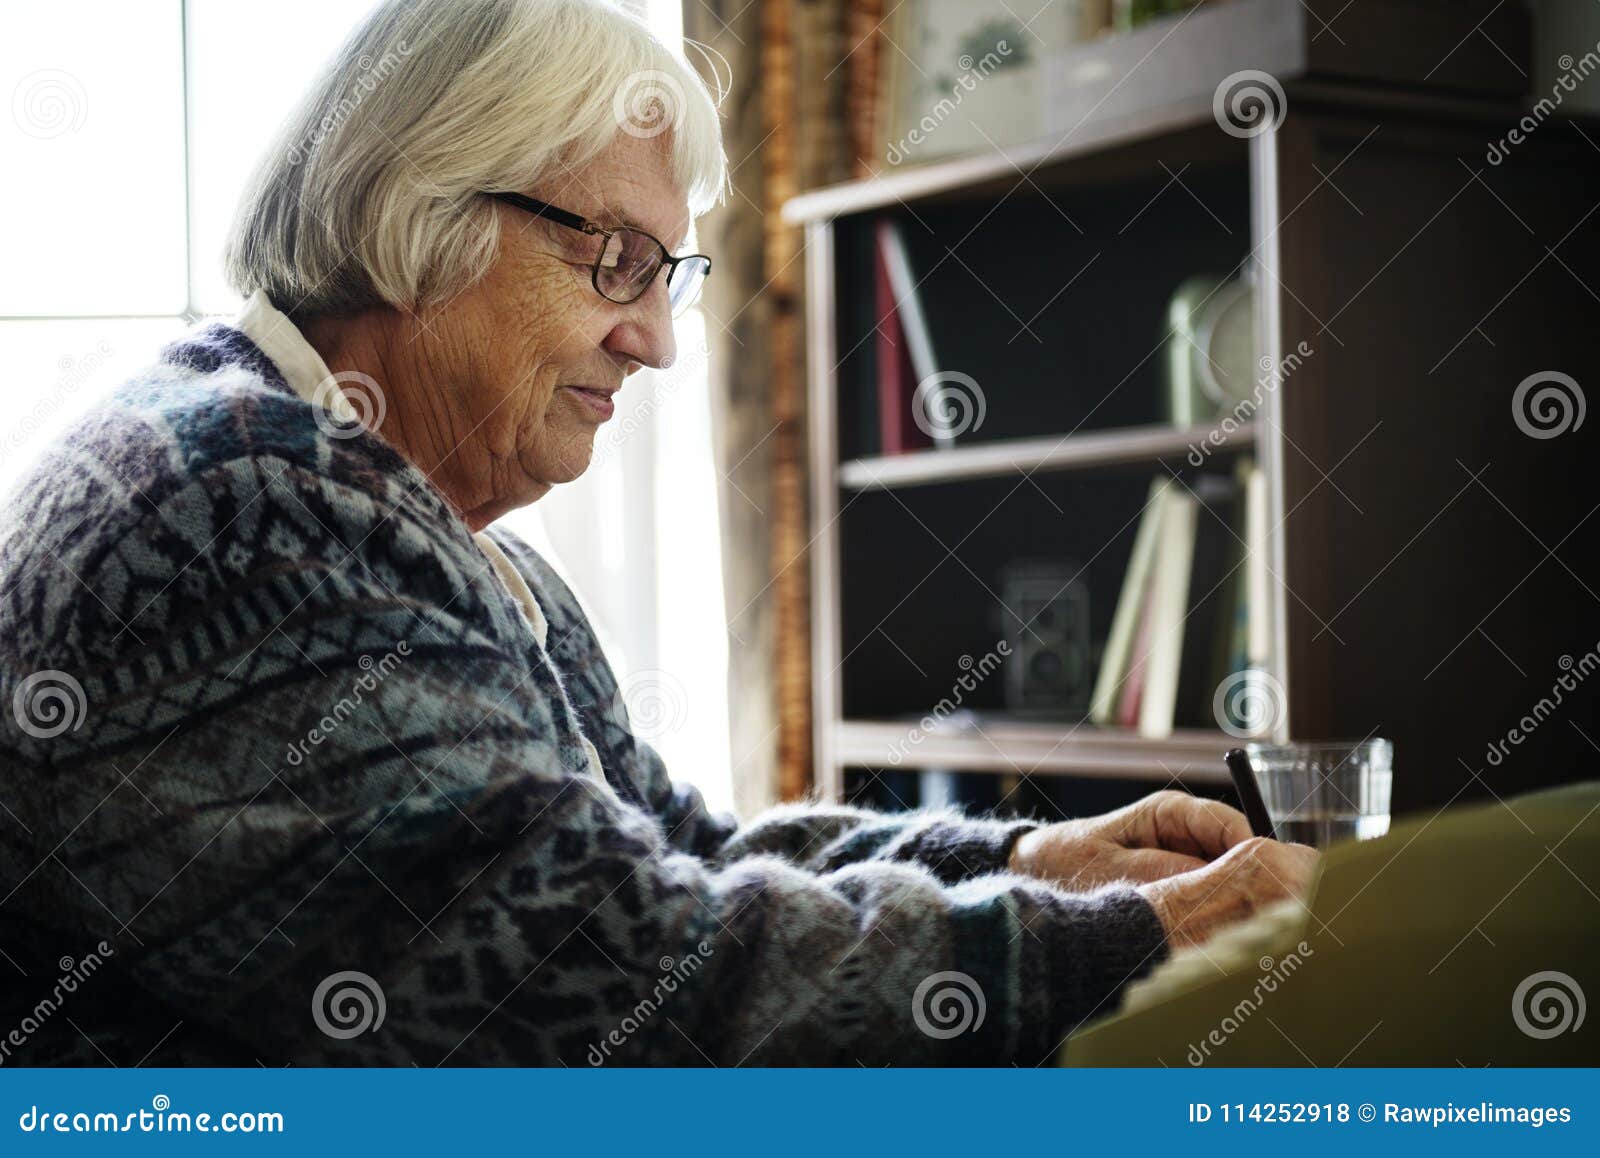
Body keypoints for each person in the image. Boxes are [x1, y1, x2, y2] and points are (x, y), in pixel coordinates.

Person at [0, 0, 1314, 1066]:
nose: (657, 341)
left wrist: (1032, 857)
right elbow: (607, 985)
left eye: (666, 274)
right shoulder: (238, 507)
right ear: (420, 213)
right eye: (616, 259)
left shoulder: (442, 535)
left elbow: (681, 853)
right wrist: (1133, 941)